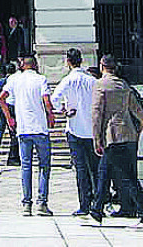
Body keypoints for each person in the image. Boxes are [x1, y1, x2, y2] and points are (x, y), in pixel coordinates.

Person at [88, 55, 143, 227]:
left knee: (127, 177)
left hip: (113, 136)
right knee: (105, 172)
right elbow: (135, 107)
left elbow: (96, 114)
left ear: (102, 66)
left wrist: (96, 139)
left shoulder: (100, 85)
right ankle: (96, 210)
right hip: (128, 134)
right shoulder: (123, 84)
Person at [0, 56, 55, 217]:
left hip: (23, 128)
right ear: (35, 65)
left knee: (26, 166)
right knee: (44, 165)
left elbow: (1, 98)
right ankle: (42, 203)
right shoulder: (41, 79)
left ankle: (26, 203)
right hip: (39, 127)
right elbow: (46, 100)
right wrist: (50, 116)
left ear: (23, 65)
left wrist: (9, 117)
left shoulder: (15, 79)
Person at [51, 49, 97, 216]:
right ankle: (98, 203)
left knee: (81, 169)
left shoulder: (67, 80)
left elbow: (54, 99)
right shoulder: (91, 80)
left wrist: (63, 110)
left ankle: (84, 204)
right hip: (91, 130)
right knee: (95, 168)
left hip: (75, 128)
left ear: (68, 62)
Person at [0, 62, 20, 166]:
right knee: (13, 132)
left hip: (4, 107)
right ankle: (13, 156)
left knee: (1, 130)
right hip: (10, 107)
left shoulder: (2, 81)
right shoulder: (15, 79)